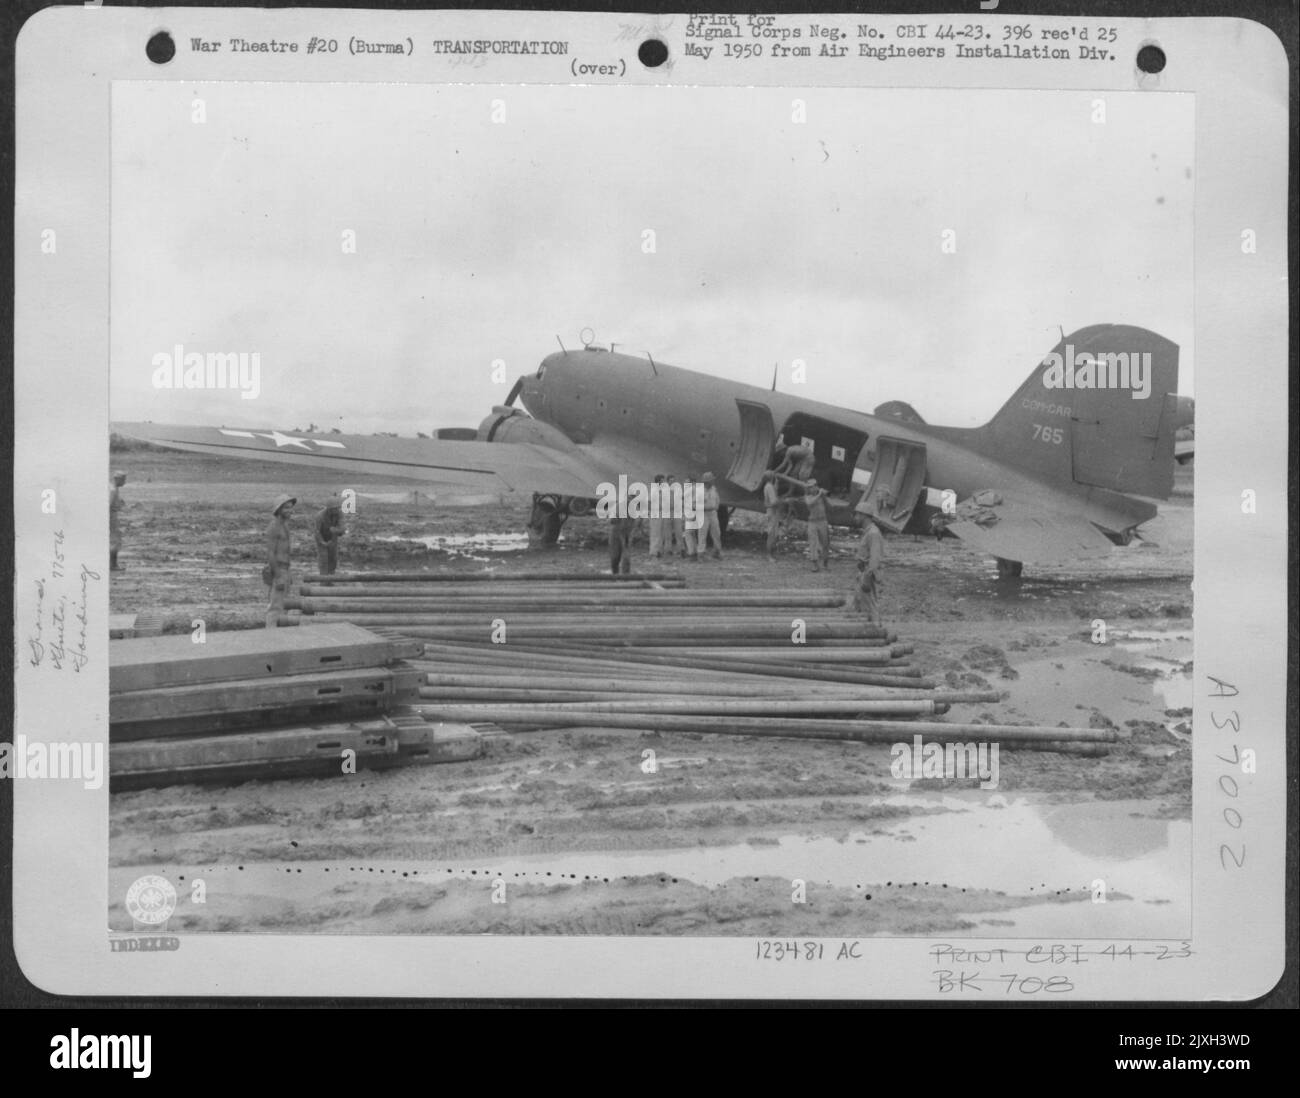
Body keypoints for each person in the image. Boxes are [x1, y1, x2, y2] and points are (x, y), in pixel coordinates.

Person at [265, 494, 296, 628]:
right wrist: (278, 576)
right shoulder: (274, 527)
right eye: (286, 508)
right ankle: (271, 638)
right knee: (275, 607)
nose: (290, 510)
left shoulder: (285, 526)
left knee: (284, 606)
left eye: (291, 507)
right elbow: (271, 553)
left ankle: (279, 638)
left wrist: (287, 574)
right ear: (279, 510)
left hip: (285, 569)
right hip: (279, 570)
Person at [851, 516, 886, 622]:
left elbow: (875, 557)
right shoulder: (869, 532)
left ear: (864, 516)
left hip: (867, 572)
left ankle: (876, 630)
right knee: (859, 602)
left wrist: (867, 575)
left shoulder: (873, 533)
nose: (856, 517)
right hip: (863, 571)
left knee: (870, 603)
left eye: (858, 514)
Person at [802, 479, 831, 571]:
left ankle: (825, 563)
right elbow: (809, 503)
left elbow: (830, 506)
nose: (812, 489)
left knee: (825, 543)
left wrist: (824, 496)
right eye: (810, 487)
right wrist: (819, 494)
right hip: (812, 522)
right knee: (813, 543)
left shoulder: (821, 496)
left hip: (823, 521)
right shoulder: (807, 496)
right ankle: (815, 565)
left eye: (813, 486)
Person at [313, 495, 345, 575]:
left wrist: (334, 530)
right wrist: (323, 543)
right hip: (322, 539)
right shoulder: (320, 516)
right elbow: (317, 532)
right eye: (335, 508)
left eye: (338, 508)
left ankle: (330, 580)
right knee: (323, 561)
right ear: (329, 509)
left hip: (333, 539)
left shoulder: (340, 514)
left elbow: (342, 529)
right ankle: (323, 582)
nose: (337, 510)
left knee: (333, 560)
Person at [760, 471, 785, 561]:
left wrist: (776, 484)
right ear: (771, 477)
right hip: (773, 512)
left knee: (773, 533)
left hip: (772, 512)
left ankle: (771, 554)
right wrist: (783, 501)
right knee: (772, 534)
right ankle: (769, 555)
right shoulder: (769, 487)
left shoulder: (768, 486)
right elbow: (774, 502)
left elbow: (773, 493)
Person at [699, 472, 723, 560]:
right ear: (707, 481)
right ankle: (701, 553)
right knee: (702, 533)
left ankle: (717, 551)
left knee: (716, 532)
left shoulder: (713, 489)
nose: (713, 481)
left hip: (713, 513)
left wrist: (716, 506)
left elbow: (717, 499)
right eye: (711, 480)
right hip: (703, 513)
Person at [109, 470, 126, 571]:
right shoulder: (112, 490)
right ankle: (113, 565)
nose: (124, 482)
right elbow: (108, 505)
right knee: (115, 541)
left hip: (112, 516)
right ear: (117, 479)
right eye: (123, 479)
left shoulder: (112, 488)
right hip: (111, 517)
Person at [666, 475, 685, 557]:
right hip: (667, 513)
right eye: (670, 480)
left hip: (677, 513)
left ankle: (681, 549)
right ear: (668, 482)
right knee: (667, 534)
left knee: (679, 532)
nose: (672, 482)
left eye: (673, 481)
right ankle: (668, 550)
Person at [647, 474, 666, 558]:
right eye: (662, 481)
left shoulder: (661, 490)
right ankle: (653, 552)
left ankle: (659, 550)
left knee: (661, 532)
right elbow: (649, 502)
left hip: (661, 512)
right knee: (655, 533)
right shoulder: (654, 490)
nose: (664, 482)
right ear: (659, 481)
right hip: (655, 513)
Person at [679, 476, 698, 560]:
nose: (685, 484)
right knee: (692, 533)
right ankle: (695, 551)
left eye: (687, 482)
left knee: (688, 533)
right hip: (694, 513)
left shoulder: (691, 489)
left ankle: (691, 553)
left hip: (691, 512)